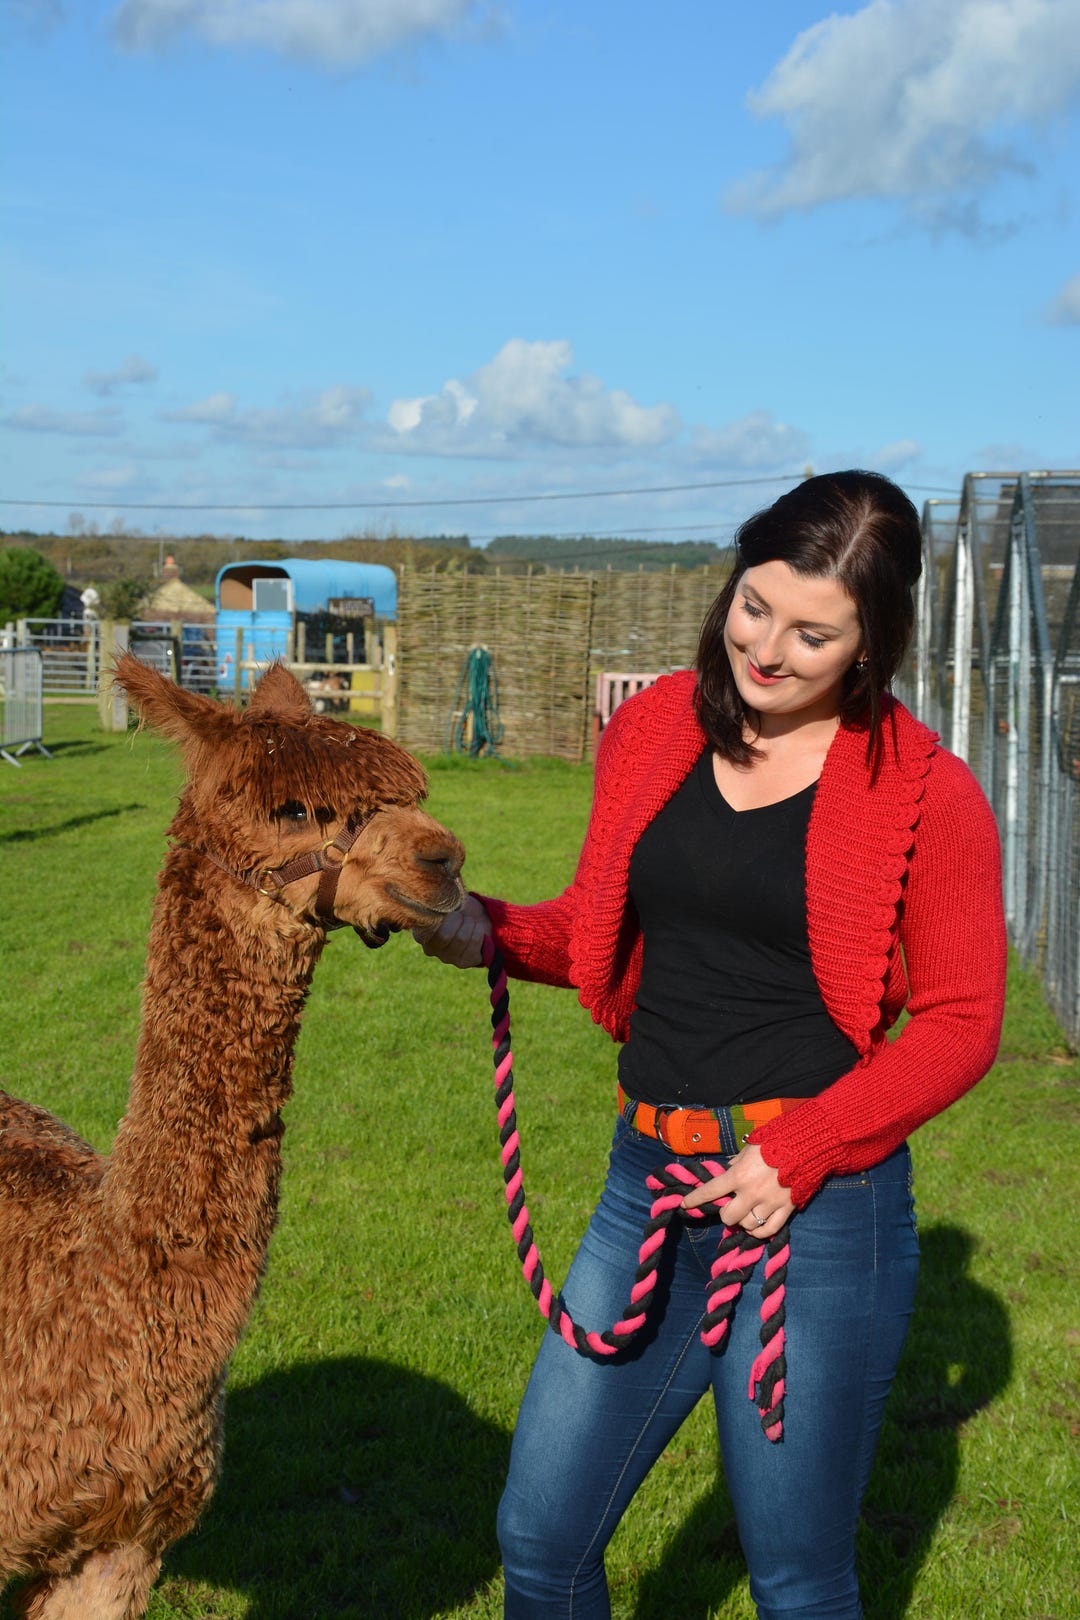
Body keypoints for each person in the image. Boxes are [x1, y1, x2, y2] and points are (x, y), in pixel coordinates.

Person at [415, 470, 1007, 1620]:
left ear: (874, 641)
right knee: (539, 1542)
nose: (769, 650)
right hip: (647, 1184)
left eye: (814, 633)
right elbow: (602, 927)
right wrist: (484, 929)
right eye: (754, 606)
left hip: (811, 1211)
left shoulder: (929, 795)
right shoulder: (649, 731)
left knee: (794, 1581)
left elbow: (962, 1021)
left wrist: (806, 1151)